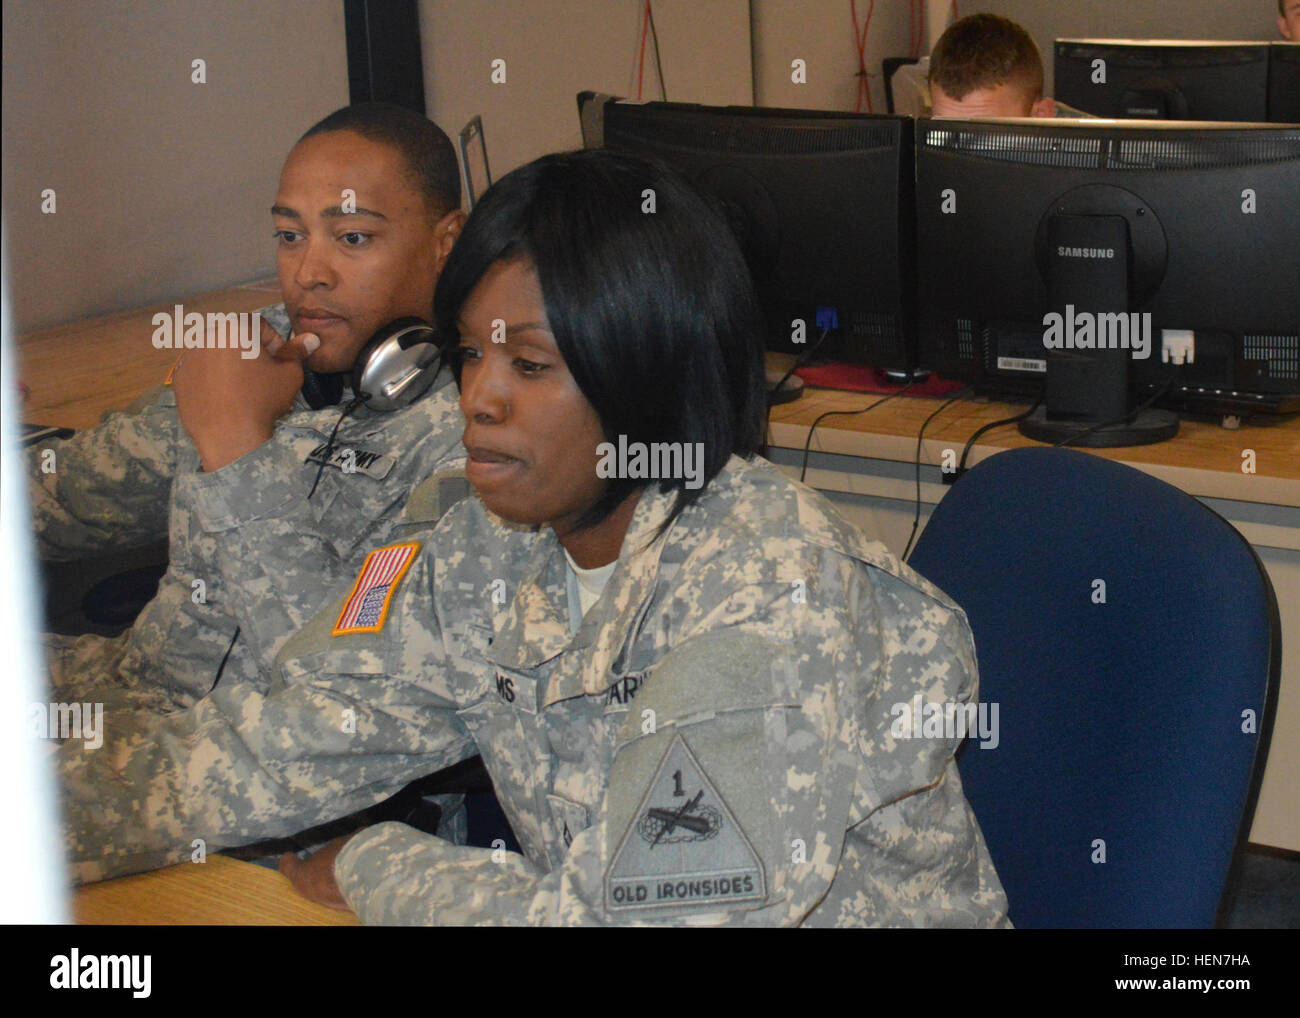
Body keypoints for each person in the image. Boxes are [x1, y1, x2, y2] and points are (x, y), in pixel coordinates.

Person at [61, 149, 1009, 927]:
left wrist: (378, 862)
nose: (480, 395)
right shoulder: (487, 543)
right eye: (471, 352)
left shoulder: (766, 601)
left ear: (646, 376)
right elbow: (268, 748)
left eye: (530, 363)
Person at [30, 103, 468, 717]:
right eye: (291, 237)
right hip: (126, 696)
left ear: (445, 242)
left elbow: (342, 692)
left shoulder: (477, 433)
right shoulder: (264, 353)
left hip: (257, 769)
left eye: (352, 238)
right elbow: (72, 497)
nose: (308, 274)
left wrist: (237, 444)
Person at [929, 13, 1089, 118]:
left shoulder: (1106, 161)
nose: (960, 151)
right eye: (944, 131)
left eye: (985, 136)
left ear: (1041, 114)